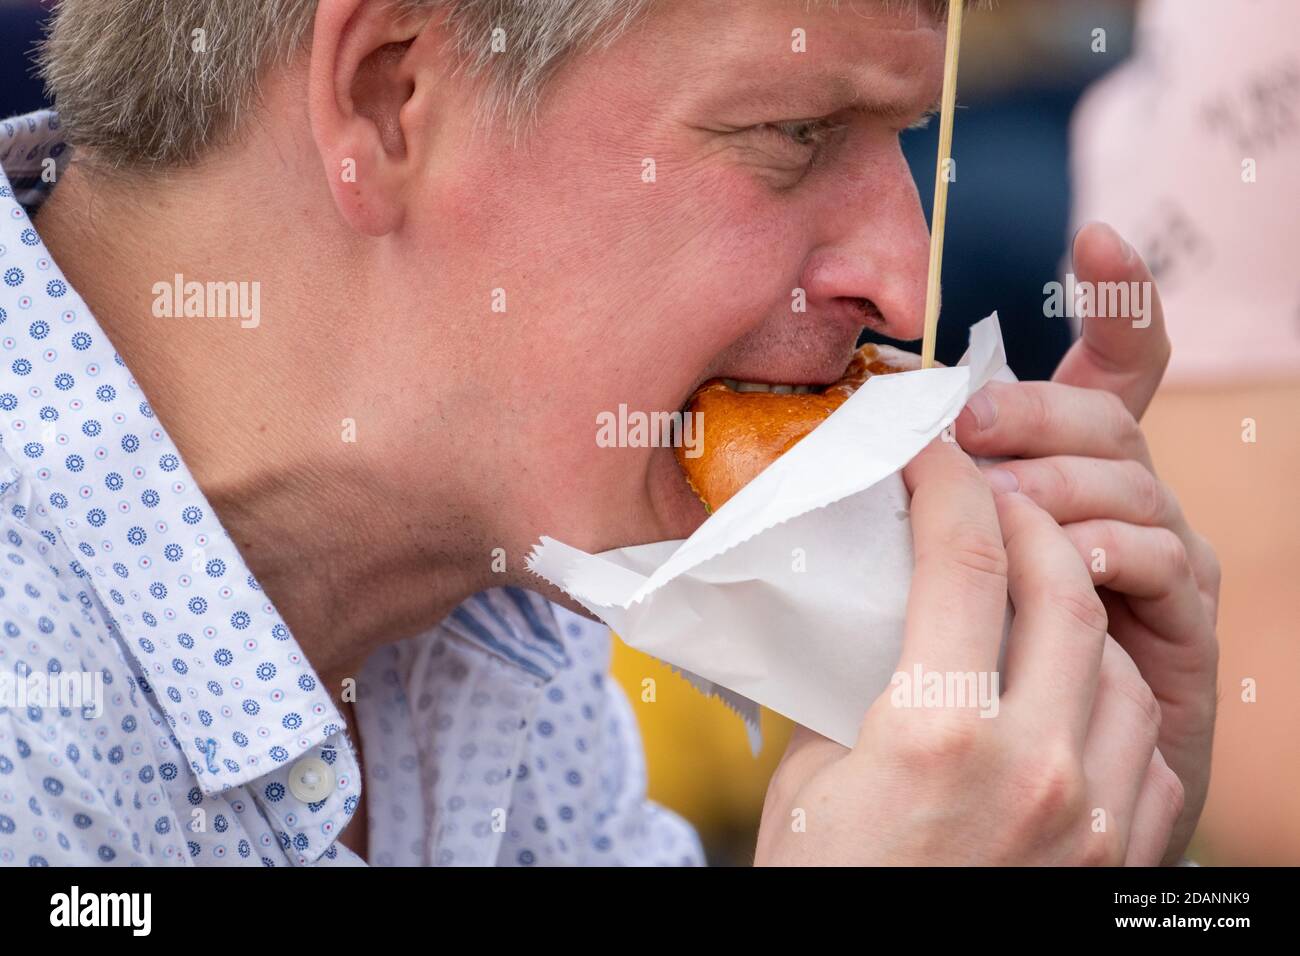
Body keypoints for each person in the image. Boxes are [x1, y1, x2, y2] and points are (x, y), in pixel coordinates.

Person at [0, 0, 1218, 866]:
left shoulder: (491, 575)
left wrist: (1075, 795)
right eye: (794, 133)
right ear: (387, 93)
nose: (906, 289)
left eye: (898, 140)